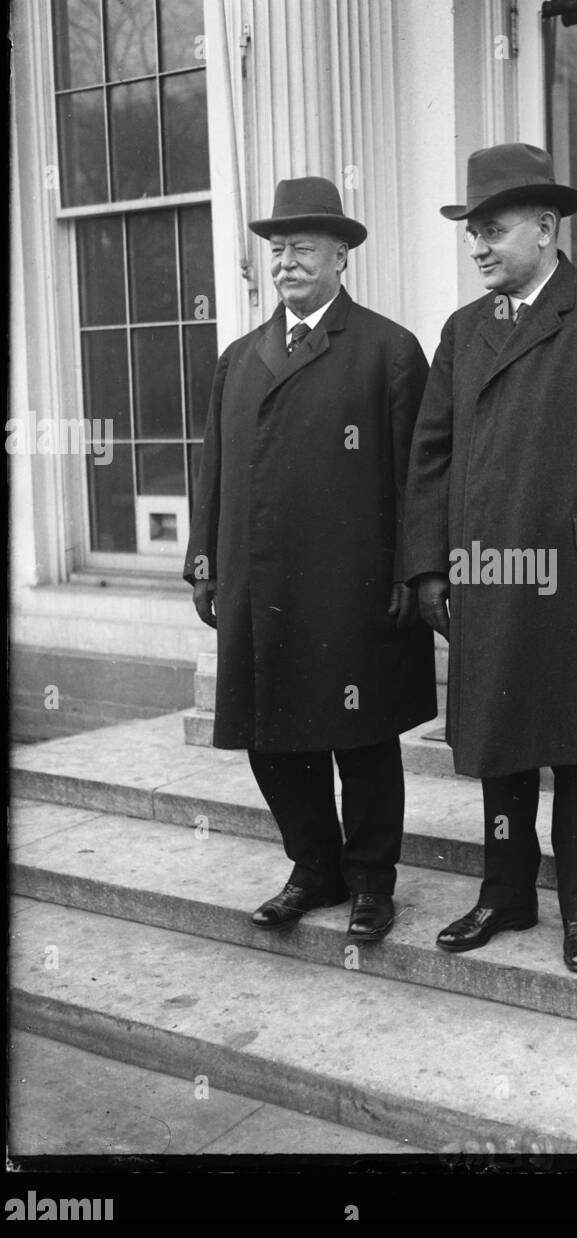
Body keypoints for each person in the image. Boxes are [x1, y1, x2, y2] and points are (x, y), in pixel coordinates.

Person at [404, 143, 577, 974]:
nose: (479, 247)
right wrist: (427, 568)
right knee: (499, 745)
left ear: (546, 227)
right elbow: (430, 455)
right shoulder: (463, 331)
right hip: (488, 579)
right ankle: (504, 893)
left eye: (492, 231)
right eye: (471, 233)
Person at [184, 176, 436, 942]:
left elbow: (417, 477)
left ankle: (370, 883)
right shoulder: (239, 357)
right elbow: (214, 468)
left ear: (340, 258)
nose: (286, 263)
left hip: (353, 584)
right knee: (270, 733)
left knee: (360, 739)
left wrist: (410, 570)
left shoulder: (388, 351)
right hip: (258, 580)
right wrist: (204, 560)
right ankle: (313, 868)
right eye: (277, 250)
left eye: (302, 249)